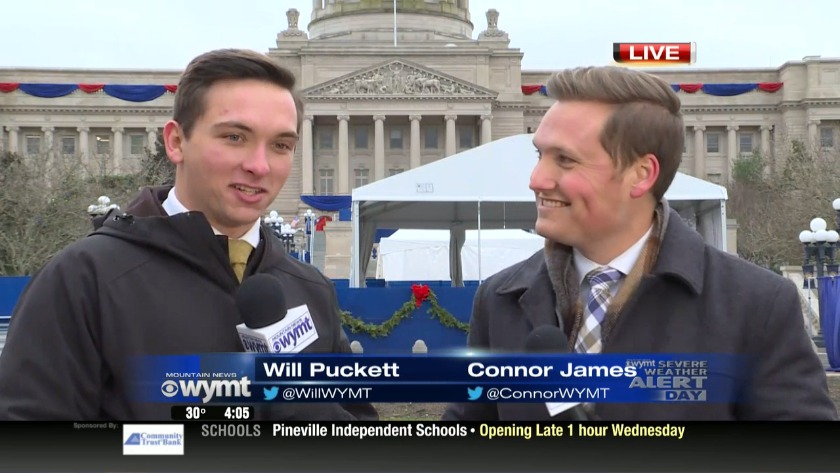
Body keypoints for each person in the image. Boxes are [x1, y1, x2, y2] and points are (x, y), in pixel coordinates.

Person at [0, 49, 378, 421]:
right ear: (176, 142)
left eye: (280, 145)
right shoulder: (83, 280)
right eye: (234, 137)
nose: (260, 166)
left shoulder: (311, 289)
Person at [442, 66, 837, 421]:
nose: (536, 180)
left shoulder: (756, 305)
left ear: (641, 174)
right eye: (540, 155)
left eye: (565, 160)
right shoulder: (500, 300)